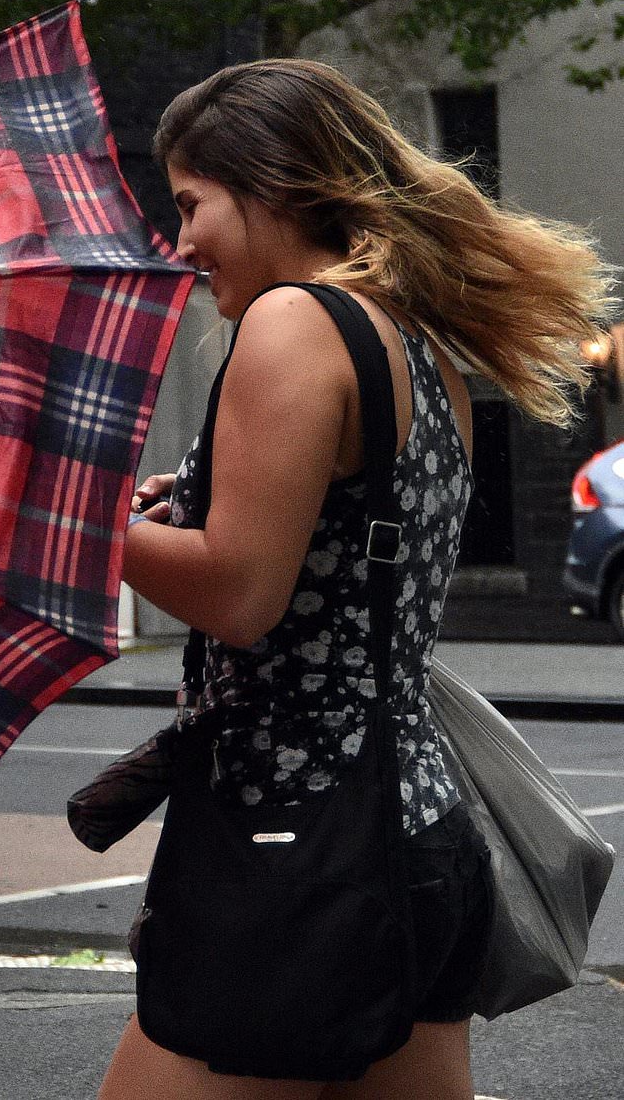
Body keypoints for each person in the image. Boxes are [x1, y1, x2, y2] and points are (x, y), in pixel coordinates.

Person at [100, 59, 610, 1099]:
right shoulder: (411, 343)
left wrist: (65, 527)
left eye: (194, 204)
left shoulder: (291, 325)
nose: (183, 240)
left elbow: (241, 595)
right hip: (414, 831)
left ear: (274, 185)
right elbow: (331, 547)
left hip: (292, 845)